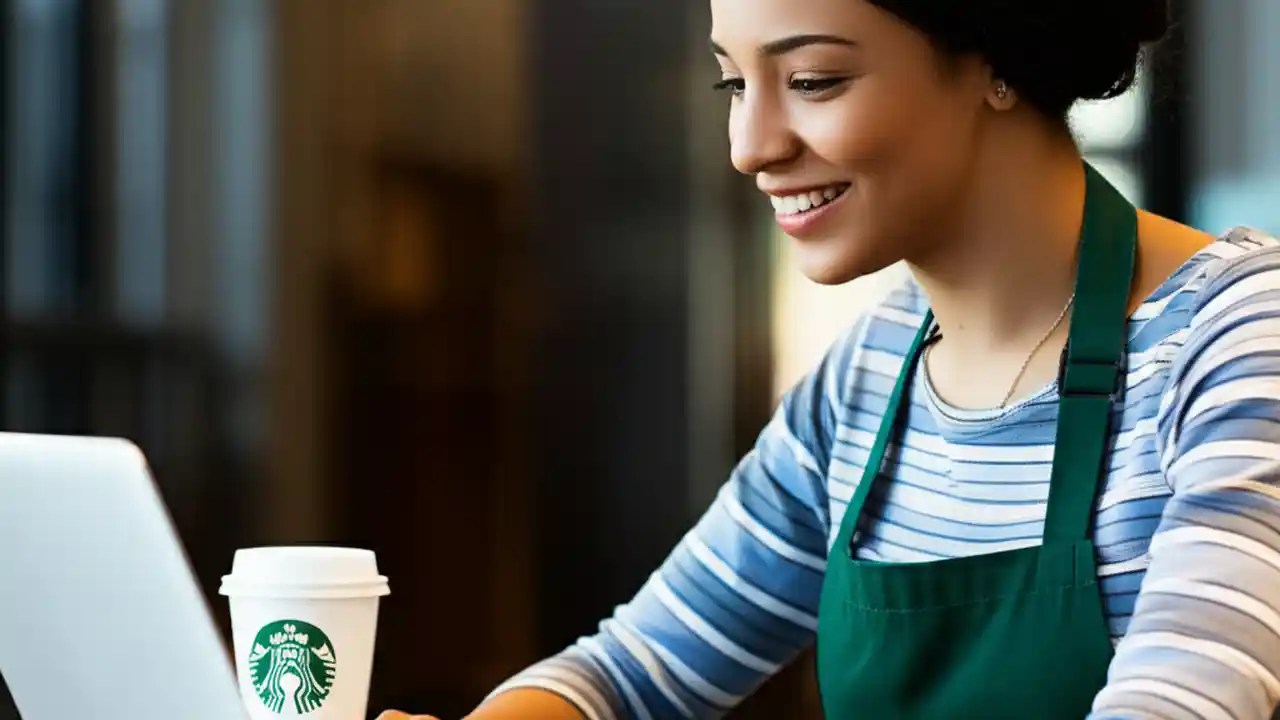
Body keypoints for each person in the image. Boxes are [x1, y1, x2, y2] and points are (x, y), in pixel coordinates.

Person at [381, 0, 1280, 718]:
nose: (750, 147)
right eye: (734, 85)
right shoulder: (871, 374)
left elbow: (1180, 703)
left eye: (813, 80)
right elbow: (630, 674)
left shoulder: (1235, 337)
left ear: (997, 57)